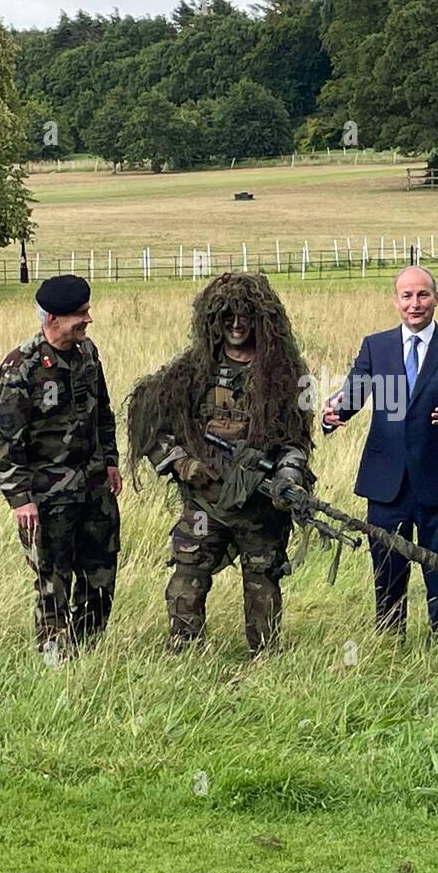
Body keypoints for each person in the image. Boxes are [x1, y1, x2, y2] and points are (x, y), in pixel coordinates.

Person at [126, 273, 313, 656]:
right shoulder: (193, 372)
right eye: (227, 316)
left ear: (262, 320)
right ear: (213, 320)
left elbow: (294, 442)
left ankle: (264, 659)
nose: (237, 325)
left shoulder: (282, 375)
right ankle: (184, 655)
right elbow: (149, 423)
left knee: (263, 584)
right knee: (186, 579)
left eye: (246, 316)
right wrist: (182, 464)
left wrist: (287, 477)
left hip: (259, 507)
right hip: (205, 503)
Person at [322, 265, 438, 653]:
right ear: (396, 301)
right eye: (407, 296)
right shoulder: (375, 347)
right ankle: (391, 646)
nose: (415, 304)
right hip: (385, 482)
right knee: (388, 569)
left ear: (436, 298)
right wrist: (334, 415)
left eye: (423, 295)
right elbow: (353, 394)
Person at [0, 275, 122, 662]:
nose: (88, 320)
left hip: (94, 490)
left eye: (87, 312)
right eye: (79, 315)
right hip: (47, 497)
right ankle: (55, 662)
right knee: (53, 582)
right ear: (53, 319)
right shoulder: (22, 367)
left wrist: (111, 461)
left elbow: (104, 413)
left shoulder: (88, 354)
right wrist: (20, 500)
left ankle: (87, 653)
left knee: (100, 577)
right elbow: (6, 441)